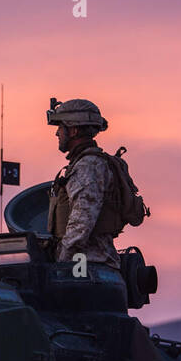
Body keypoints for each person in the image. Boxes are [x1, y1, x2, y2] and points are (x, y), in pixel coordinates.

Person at [45, 98, 123, 271]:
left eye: (60, 128)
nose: (57, 134)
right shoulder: (85, 164)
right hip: (89, 265)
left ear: (72, 130)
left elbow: (81, 224)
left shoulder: (88, 167)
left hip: (86, 266)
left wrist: (61, 263)